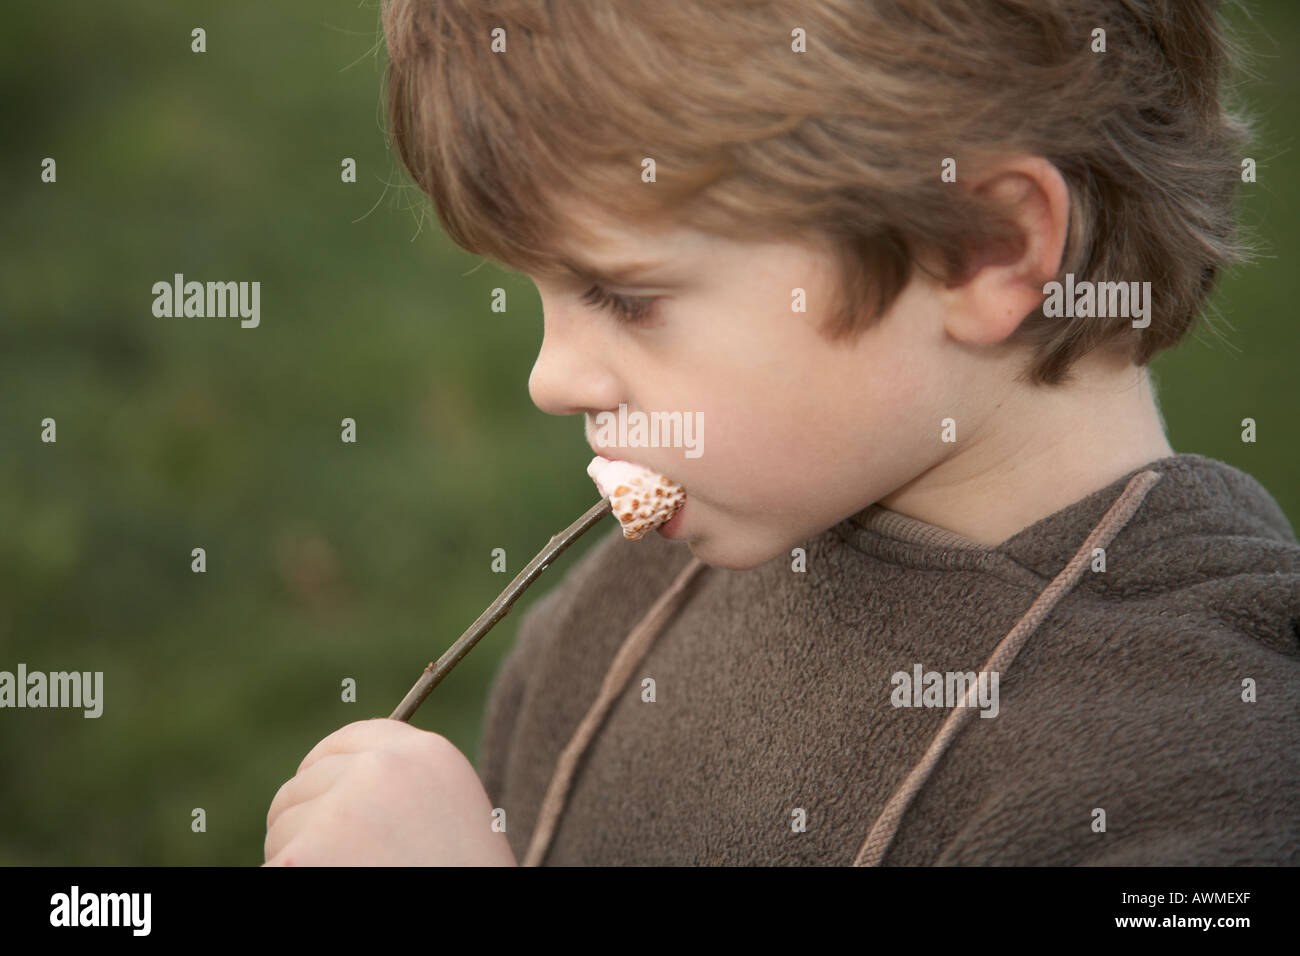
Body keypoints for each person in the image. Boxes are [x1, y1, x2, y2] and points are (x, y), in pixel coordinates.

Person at [264, 0, 1299, 866]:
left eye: (623, 297)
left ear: (981, 248)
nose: (549, 378)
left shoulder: (1199, 771)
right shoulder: (621, 611)